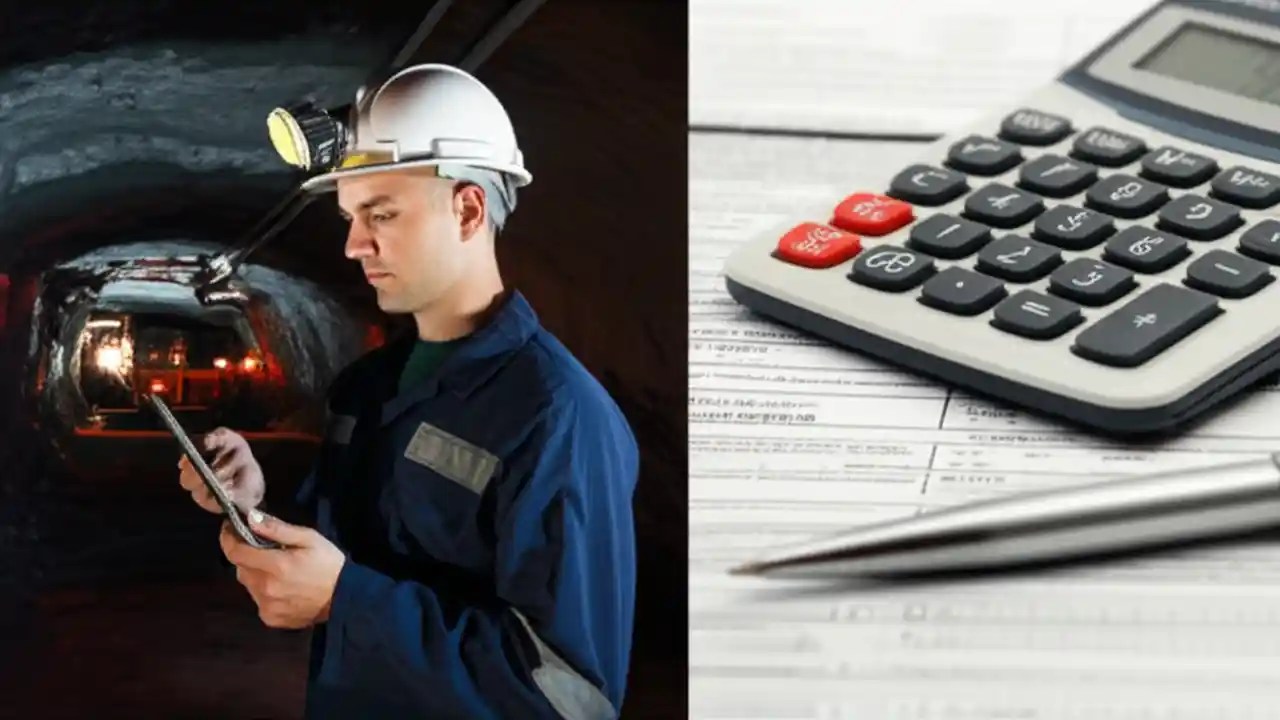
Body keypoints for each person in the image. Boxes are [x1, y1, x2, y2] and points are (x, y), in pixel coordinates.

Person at [177, 63, 639, 719]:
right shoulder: (366, 388)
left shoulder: (558, 416)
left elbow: (572, 698)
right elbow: (347, 546)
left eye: (382, 214)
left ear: (468, 210)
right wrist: (255, 502)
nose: (352, 244)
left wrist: (346, 601)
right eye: (350, 216)